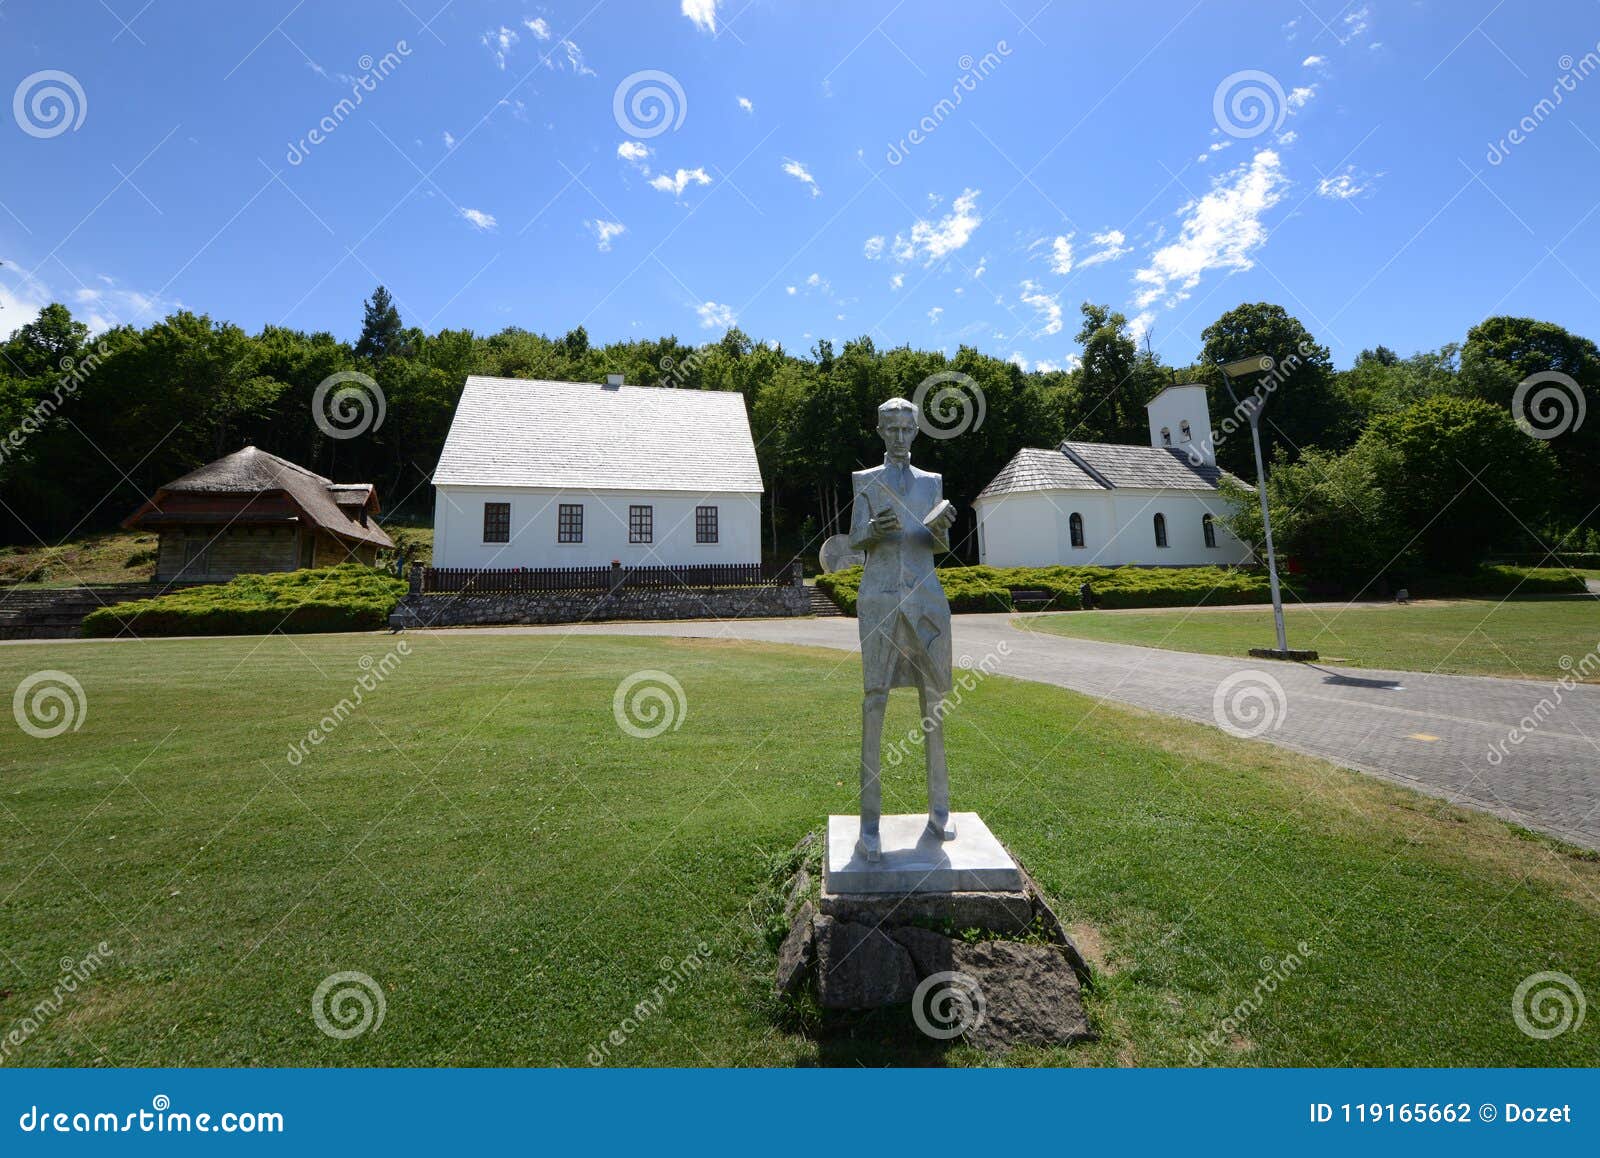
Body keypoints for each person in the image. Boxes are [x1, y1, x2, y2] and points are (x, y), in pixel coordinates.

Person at [847, 397, 959, 861]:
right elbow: (856, 540)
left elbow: (936, 546)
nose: (897, 436)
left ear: (915, 431)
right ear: (879, 430)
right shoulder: (865, 481)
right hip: (878, 600)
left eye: (905, 429)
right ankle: (869, 824)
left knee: (934, 703)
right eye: (889, 428)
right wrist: (872, 527)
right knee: (875, 702)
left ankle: (940, 811)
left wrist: (942, 527)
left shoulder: (931, 483)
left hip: (926, 600)